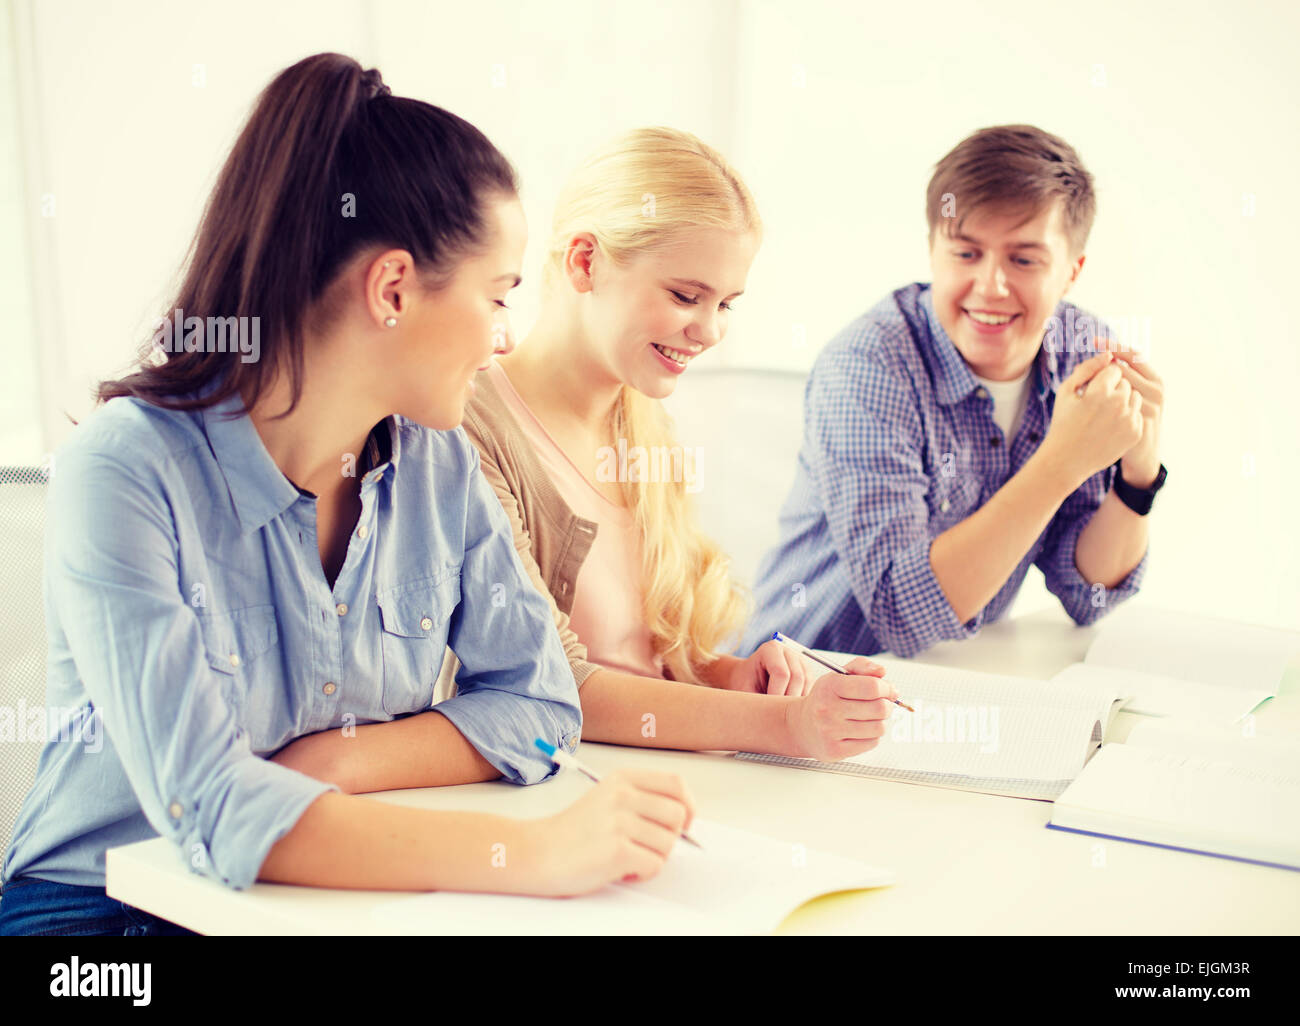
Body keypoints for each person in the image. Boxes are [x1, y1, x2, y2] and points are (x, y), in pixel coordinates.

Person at [0, 54, 696, 937]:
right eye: (496, 297)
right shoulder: (124, 471)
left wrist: (340, 761)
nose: (503, 337)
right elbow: (211, 806)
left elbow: (541, 705)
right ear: (393, 288)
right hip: (103, 913)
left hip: (328, 895)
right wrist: (531, 854)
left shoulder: (438, 465)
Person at [453, 127, 900, 759]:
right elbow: (554, 682)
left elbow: (650, 657)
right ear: (585, 262)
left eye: (727, 304)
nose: (710, 331)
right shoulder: (469, 427)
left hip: (663, 774)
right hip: (561, 782)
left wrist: (734, 678)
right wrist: (784, 725)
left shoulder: (643, 418)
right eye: (687, 296)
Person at [743, 124, 1167, 659]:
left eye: (1024, 260)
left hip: (952, 683)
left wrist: (1138, 473)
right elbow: (901, 611)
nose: (990, 286)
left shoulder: (1079, 353)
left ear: (1071, 272)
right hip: (799, 681)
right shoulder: (868, 365)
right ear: (932, 251)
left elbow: (1090, 595)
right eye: (966, 254)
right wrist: (1062, 461)